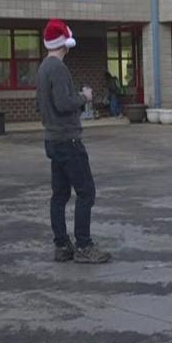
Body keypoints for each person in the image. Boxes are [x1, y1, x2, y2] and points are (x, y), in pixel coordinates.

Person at [37, 19, 110, 264]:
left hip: (52, 138)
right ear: (65, 43)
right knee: (86, 192)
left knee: (59, 195)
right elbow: (63, 103)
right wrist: (83, 97)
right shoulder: (58, 69)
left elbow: (42, 105)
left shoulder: (42, 69)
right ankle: (84, 245)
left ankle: (61, 245)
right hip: (68, 140)